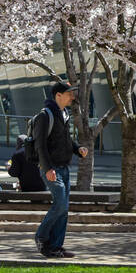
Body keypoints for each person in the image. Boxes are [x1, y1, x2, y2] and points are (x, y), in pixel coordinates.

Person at [32, 82, 89, 259]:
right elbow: (39, 145)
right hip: (51, 168)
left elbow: (65, 140)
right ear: (58, 95)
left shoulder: (64, 115)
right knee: (60, 205)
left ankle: (56, 246)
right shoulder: (45, 115)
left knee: (63, 209)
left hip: (63, 168)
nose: (72, 97)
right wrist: (47, 168)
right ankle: (41, 237)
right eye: (69, 93)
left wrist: (77, 149)